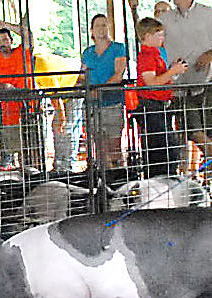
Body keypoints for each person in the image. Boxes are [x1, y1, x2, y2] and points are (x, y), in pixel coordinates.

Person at [146, 0, 212, 173]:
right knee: (193, 132)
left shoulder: (210, 14)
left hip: (209, 80)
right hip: (181, 85)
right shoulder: (164, 20)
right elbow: (146, 35)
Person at [133, 16, 187, 177]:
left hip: (157, 105)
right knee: (163, 147)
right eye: (159, 35)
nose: (162, 38)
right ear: (147, 36)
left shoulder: (154, 54)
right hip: (152, 105)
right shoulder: (147, 57)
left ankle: (164, 177)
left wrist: (170, 70)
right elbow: (151, 82)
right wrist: (172, 71)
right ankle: (162, 178)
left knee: (164, 146)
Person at [78, 13, 128, 169]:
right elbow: (82, 76)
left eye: (104, 25)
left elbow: (118, 74)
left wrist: (99, 90)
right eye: (98, 25)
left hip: (111, 101)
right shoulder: (88, 53)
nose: (101, 29)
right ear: (91, 31)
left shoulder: (118, 49)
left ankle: (119, 175)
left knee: (114, 144)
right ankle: (105, 177)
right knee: (99, 145)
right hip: (92, 104)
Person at [0, 24, 36, 170]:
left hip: (29, 104)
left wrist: (6, 25)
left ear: (11, 40)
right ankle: (8, 166)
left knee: (31, 143)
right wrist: (5, 87)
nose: (2, 44)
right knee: (9, 142)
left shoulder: (21, 52)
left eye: (5, 39)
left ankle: (31, 169)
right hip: (8, 108)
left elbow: (28, 35)